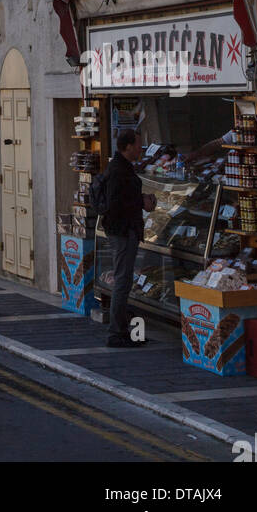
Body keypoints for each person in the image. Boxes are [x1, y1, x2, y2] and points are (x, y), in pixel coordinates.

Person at [101, 127, 155, 348]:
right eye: (139, 145)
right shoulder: (118, 170)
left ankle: (122, 330)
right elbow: (115, 204)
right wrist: (140, 203)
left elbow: (122, 198)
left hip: (125, 230)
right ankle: (117, 333)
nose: (141, 149)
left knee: (124, 279)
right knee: (122, 281)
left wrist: (139, 198)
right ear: (128, 146)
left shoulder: (122, 167)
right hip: (122, 231)